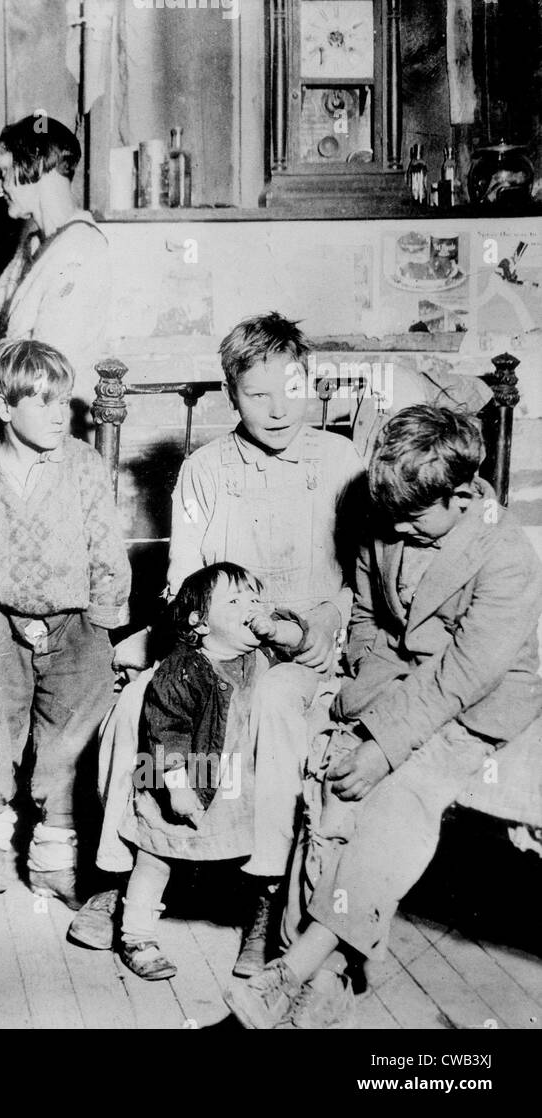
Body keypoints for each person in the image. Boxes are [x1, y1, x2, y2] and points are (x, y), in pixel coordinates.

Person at [226, 405, 542, 1029]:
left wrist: (384, 746)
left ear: (461, 494)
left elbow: (463, 675)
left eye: (414, 518)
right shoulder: (391, 517)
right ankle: (330, 976)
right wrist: (363, 715)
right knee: (328, 783)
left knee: (400, 796)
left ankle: (292, 970)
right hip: (398, 684)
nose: (396, 529)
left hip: (480, 697)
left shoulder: (507, 552)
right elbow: (371, 623)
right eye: (390, 516)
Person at [71, 313, 366, 975]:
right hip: (224, 640)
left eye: (291, 389)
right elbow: (183, 585)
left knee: (274, 711)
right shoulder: (205, 469)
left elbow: (361, 576)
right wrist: (214, 637)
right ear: (231, 395)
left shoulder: (343, 460)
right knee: (136, 704)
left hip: (309, 647)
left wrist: (320, 625)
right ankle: (121, 873)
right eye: (257, 395)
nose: (278, 408)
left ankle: (265, 892)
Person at [0, 338, 130, 906]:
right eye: (41, 402)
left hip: (75, 623)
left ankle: (53, 855)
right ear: (4, 408)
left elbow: (105, 548)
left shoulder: (83, 467)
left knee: (70, 738)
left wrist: (103, 618)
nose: (57, 415)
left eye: (64, 403)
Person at [117, 563, 307, 980]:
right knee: (157, 856)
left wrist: (282, 628)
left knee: (255, 847)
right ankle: (136, 934)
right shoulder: (181, 668)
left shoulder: (262, 655)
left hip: (232, 784)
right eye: (235, 601)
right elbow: (163, 730)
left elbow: (299, 640)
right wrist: (177, 785)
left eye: (255, 598)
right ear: (198, 624)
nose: (250, 606)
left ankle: (265, 925)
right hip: (182, 780)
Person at [0, 114, 114, 404]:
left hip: (51, 425)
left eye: (5, 171)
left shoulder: (80, 249)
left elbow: (46, 373)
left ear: (37, 165)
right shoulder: (33, 246)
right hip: (19, 419)